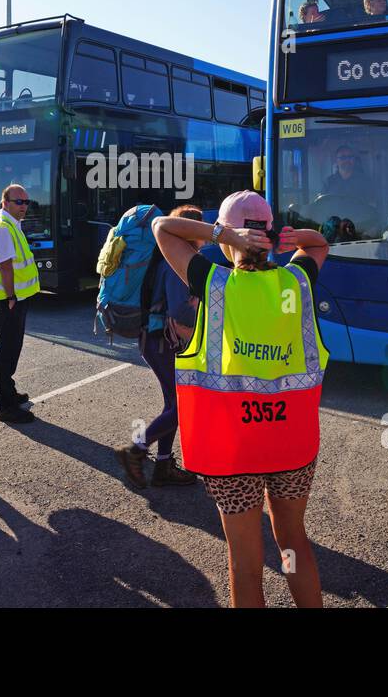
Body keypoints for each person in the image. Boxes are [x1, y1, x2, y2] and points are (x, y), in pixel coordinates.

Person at [154, 191, 330, 608]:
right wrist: (291, 239)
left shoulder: (214, 283)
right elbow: (320, 244)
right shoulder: (297, 280)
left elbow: (163, 227)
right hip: (291, 444)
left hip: (231, 453)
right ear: (268, 230)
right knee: (293, 546)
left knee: (245, 565)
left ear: (229, 235)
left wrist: (219, 233)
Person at [115, 204, 204, 489]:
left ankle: (163, 464)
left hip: (155, 339)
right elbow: (181, 310)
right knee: (181, 406)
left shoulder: (168, 256)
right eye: (200, 229)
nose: (204, 236)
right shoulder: (176, 263)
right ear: (191, 232)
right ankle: (135, 450)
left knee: (173, 403)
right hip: (162, 341)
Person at [0, 184, 39, 424]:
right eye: (19, 202)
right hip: (9, 299)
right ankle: (5, 405)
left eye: (27, 202)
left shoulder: (11, 225)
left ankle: (9, 391)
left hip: (17, 297)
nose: (24, 206)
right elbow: (5, 266)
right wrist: (11, 297)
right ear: (5, 202)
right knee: (7, 349)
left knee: (11, 347)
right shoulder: (3, 227)